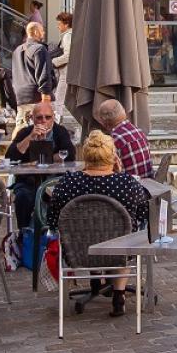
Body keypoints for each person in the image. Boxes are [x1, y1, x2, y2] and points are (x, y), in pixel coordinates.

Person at [45, 131, 152, 318]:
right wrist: (119, 173)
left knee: (92, 233)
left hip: (78, 253)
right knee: (126, 236)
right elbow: (144, 215)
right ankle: (119, 296)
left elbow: (53, 221)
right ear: (114, 157)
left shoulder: (67, 183)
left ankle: (96, 286)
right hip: (119, 252)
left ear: (85, 157)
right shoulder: (127, 184)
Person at [6, 101, 75, 230]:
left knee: (64, 196)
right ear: (32, 118)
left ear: (53, 118)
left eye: (48, 117)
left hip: (54, 180)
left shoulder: (60, 131)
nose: (44, 121)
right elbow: (10, 157)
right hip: (28, 181)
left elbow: (69, 154)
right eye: (39, 117)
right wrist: (31, 138)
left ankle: (56, 236)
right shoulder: (25, 132)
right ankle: (24, 234)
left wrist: (44, 159)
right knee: (22, 197)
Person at [94, 98, 153, 178]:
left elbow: (105, 171)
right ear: (123, 111)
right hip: (149, 183)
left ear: (104, 122)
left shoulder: (114, 139)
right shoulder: (138, 131)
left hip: (130, 187)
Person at [11, 22, 55, 128]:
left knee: (21, 128)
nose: (43, 33)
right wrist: (46, 96)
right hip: (37, 96)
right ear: (35, 32)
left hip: (20, 96)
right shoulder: (39, 49)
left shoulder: (17, 50)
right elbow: (43, 73)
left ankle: (15, 144)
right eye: (42, 30)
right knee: (43, 129)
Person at [52, 12, 73, 81]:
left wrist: (52, 62)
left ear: (66, 24)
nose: (57, 26)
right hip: (68, 73)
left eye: (59, 24)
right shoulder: (71, 34)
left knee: (59, 92)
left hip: (65, 74)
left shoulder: (67, 36)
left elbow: (68, 55)